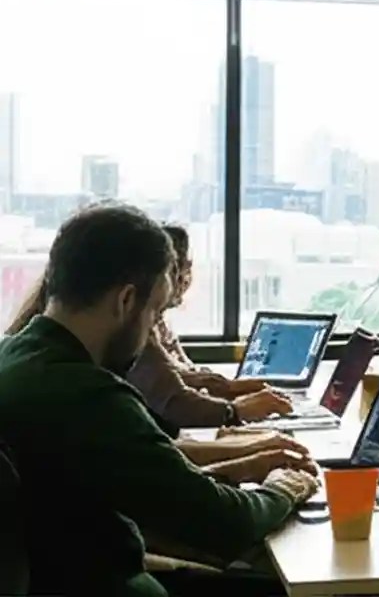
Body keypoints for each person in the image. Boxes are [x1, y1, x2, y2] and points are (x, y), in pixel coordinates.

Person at [0, 203, 317, 596]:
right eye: (154, 313)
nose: (153, 329)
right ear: (126, 301)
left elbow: (150, 484)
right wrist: (285, 487)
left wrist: (237, 469)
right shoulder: (88, 395)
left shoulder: (14, 356)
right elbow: (226, 524)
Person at [127, 224, 291, 428]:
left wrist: (226, 388)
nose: (184, 279)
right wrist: (237, 409)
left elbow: (181, 375)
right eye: (176, 269)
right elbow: (174, 402)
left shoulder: (152, 322)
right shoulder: (134, 326)